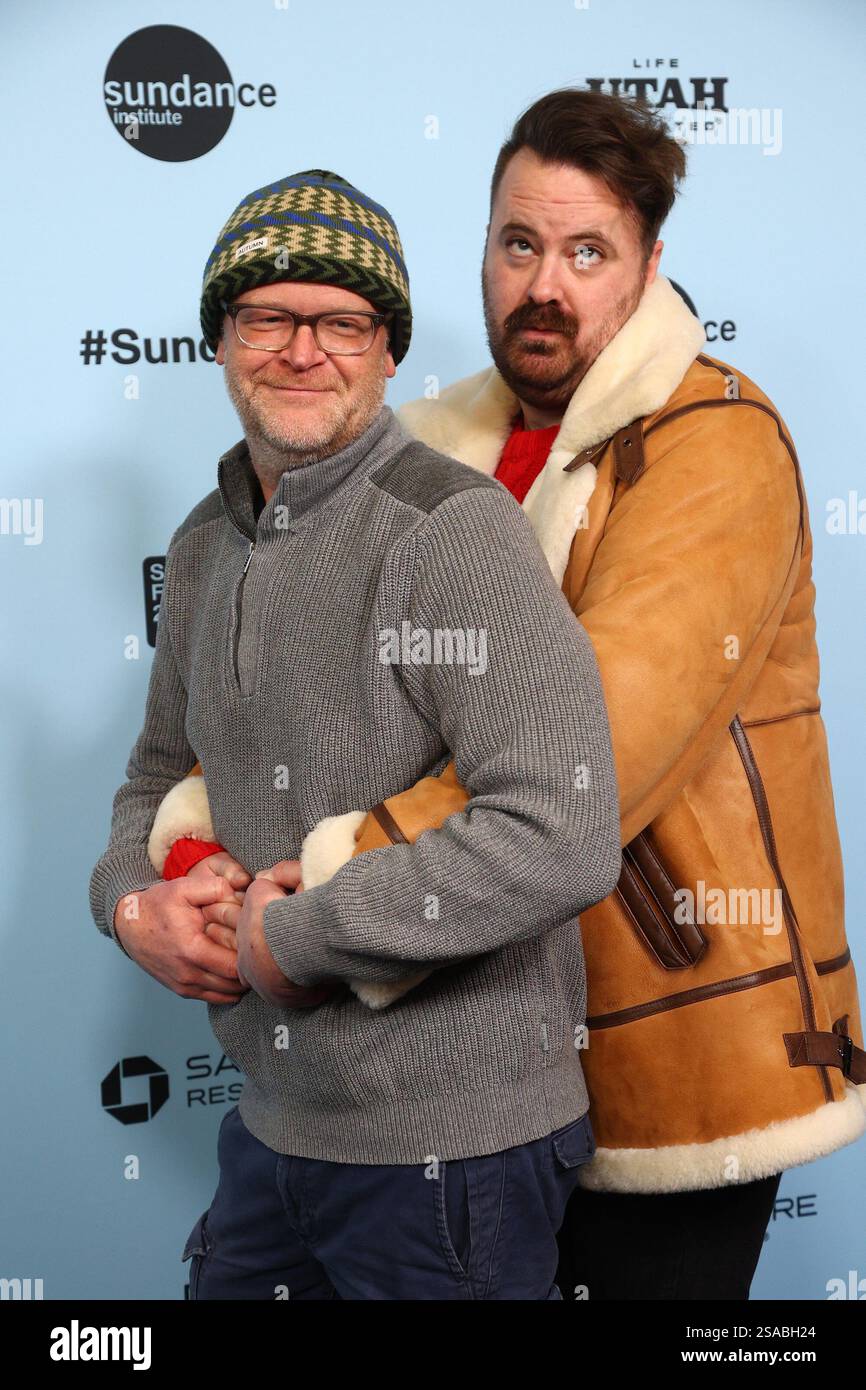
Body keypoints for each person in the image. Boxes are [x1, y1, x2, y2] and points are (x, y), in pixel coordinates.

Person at [156, 95, 866, 1301]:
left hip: (673, 1033)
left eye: (587, 253)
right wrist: (188, 866)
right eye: (516, 246)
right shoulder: (427, 460)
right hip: (472, 1024)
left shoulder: (715, 445)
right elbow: (305, 713)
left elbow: (593, 742)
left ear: (647, 268)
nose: (544, 286)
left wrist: (317, 892)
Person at [88, 168, 623, 1300]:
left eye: (341, 322)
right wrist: (132, 903)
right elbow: (151, 778)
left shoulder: (450, 531)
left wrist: (304, 936)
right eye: (266, 317)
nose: (301, 350)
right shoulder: (200, 546)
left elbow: (563, 827)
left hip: (451, 1158)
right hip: (272, 1130)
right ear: (221, 341)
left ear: (388, 352)